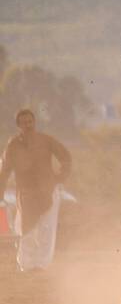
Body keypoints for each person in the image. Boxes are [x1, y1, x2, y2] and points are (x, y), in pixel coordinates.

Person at [0, 108, 71, 271]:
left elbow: (66, 158)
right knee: (26, 230)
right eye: (24, 122)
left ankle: (42, 265)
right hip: (26, 193)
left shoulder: (46, 140)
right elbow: (4, 170)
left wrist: (59, 178)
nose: (28, 125)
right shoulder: (13, 145)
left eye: (30, 121)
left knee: (46, 229)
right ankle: (26, 264)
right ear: (18, 125)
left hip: (47, 190)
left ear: (35, 122)